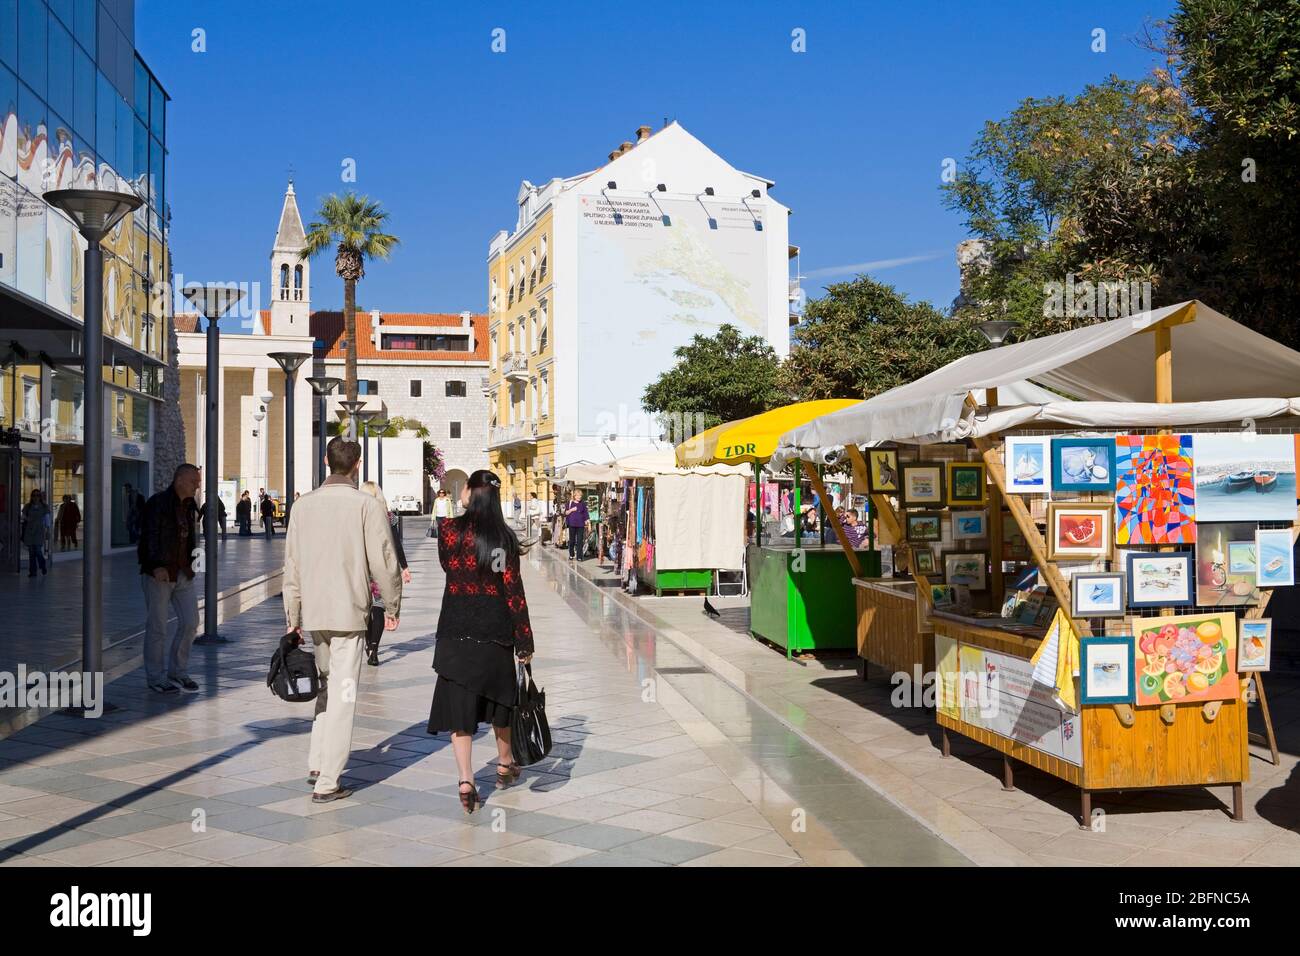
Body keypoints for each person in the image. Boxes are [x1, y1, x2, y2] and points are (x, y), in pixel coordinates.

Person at [283, 437, 402, 803]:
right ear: (358, 465)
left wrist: (293, 616)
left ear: (325, 461)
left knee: (325, 687)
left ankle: (318, 760)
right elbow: (384, 560)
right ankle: (328, 781)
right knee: (343, 695)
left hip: (315, 612)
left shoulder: (302, 506)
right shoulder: (365, 506)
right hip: (350, 613)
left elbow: (292, 564)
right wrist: (393, 605)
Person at [428, 469, 534, 813]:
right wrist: (524, 640)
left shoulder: (449, 532)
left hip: (456, 629)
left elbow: (451, 567)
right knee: (500, 702)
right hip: (494, 630)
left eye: (466, 487)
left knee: (460, 708)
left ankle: (465, 778)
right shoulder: (501, 541)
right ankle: (504, 764)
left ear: (473, 493)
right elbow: (511, 589)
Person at [138, 464, 202, 694]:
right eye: (194, 481)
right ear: (180, 480)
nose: (197, 485)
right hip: (160, 575)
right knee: (157, 628)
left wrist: (194, 564)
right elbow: (148, 537)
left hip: (183, 573)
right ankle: (155, 676)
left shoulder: (190, 505)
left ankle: (178, 671)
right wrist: (155, 566)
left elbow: (190, 538)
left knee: (191, 622)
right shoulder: (158, 503)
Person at [359, 481, 413, 666]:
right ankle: (374, 649)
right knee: (379, 608)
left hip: (362, 568)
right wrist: (404, 567)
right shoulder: (388, 517)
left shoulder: (357, 515)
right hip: (382, 567)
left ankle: (368, 645)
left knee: (366, 609)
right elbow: (396, 543)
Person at [21, 489, 51, 577]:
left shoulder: (44, 507)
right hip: (29, 531)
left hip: (39, 531)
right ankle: (32, 572)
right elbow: (23, 516)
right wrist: (27, 519)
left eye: (38, 495)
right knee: (31, 553)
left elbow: (47, 520)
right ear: (31, 497)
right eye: (34, 495)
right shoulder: (28, 506)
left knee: (38, 550)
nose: (36, 497)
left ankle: (42, 564)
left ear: (40, 497)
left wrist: (48, 531)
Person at [563, 489, 589, 562]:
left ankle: (579, 556)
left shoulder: (583, 504)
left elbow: (585, 513)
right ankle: (571, 554)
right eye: (578, 495)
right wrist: (572, 510)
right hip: (572, 524)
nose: (579, 497)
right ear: (574, 496)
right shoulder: (570, 503)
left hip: (581, 524)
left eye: (580, 495)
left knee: (580, 540)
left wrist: (587, 520)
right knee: (572, 540)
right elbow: (566, 513)